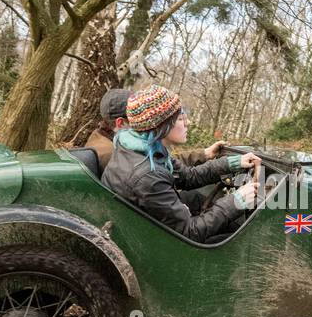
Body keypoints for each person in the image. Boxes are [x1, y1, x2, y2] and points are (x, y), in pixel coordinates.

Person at [103, 85, 259, 243]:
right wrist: (236, 201)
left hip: (144, 231)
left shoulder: (142, 148)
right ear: (161, 125)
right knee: (242, 242)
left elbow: (189, 177)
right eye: (180, 118)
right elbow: (189, 232)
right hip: (154, 244)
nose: (188, 122)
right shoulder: (147, 174)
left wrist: (232, 162)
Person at [82, 87, 224, 172]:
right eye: (136, 116)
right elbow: (157, 166)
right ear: (120, 123)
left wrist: (203, 154)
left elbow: (160, 159)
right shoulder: (112, 154)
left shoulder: (104, 138)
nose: (146, 121)